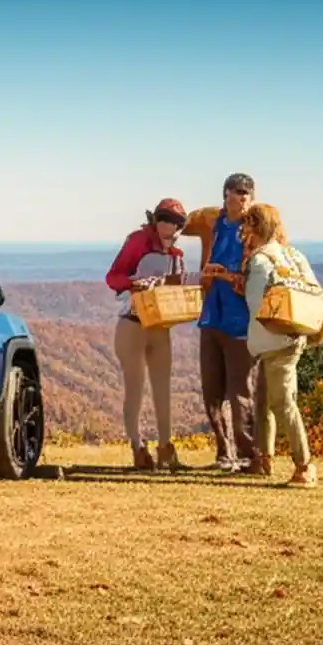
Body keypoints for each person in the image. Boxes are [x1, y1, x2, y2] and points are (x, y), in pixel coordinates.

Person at [239, 203, 323, 487]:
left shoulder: (259, 261)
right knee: (266, 401)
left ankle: (304, 465)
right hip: (295, 333)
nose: (243, 230)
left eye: (246, 225)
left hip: (273, 339)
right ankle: (263, 459)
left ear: (255, 227)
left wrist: (240, 283)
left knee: (283, 403)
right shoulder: (294, 255)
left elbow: (255, 303)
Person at [105, 198, 197, 470]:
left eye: (174, 221)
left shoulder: (176, 256)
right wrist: (134, 284)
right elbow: (113, 277)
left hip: (160, 326)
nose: (168, 225)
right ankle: (138, 447)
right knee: (135, 387)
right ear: (155, 219)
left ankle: (166, 448)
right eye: (163, 219)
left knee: (163, 389)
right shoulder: (138, 241)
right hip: (132, 323)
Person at [182, 173, 264, 472]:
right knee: (211, 391)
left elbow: (260, 276)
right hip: (211, 317)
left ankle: (250, 456)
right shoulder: (214, 224)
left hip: (240, 322)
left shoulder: (255, 230)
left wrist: (226, 276)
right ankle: (224, 453)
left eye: (246, 194)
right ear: (226, 194)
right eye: (237, 192)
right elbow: (185, 224)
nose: (241, 198)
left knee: (241, 393)